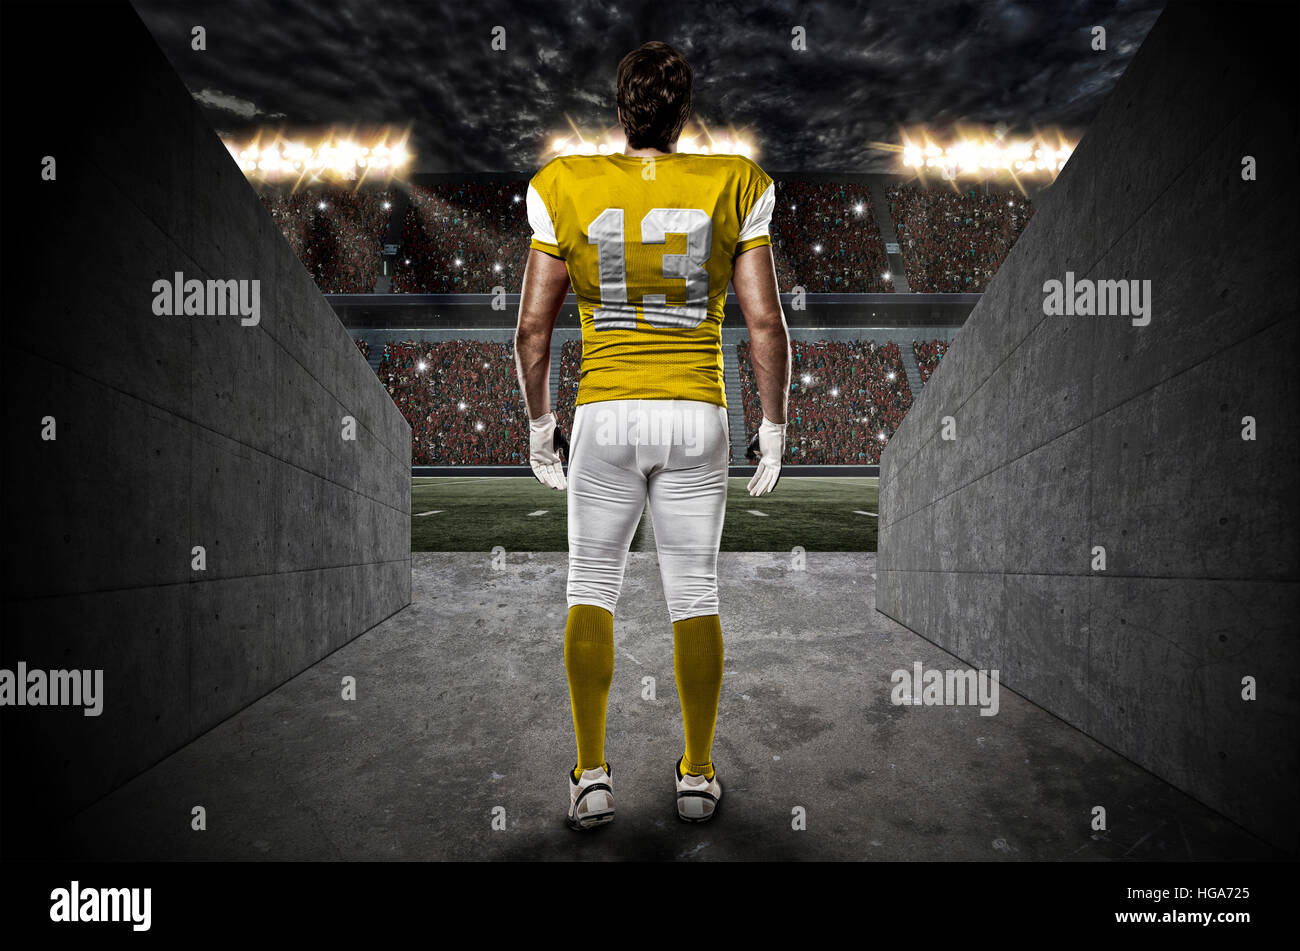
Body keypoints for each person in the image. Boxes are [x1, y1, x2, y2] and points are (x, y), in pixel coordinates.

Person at [513, 40, 791, 830]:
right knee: (694, 594)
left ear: (620, 111)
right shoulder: (734, 181)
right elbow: (765, 323)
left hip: (604, 409)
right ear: (682, 115)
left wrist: (541, 427)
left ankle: (593, 777)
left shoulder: (565, 183)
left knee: (590, 586)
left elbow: (533, 331)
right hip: (697, 408)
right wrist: (773, 426)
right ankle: (697, 776)